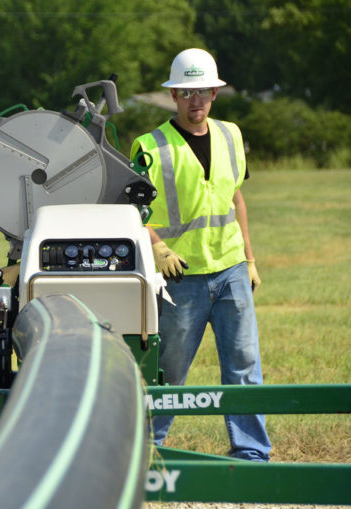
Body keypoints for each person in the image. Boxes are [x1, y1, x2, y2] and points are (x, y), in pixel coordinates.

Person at [130, 48, 271, 461]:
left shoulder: (231, 135)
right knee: (168, 374)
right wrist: (156, 247)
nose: (197, 101)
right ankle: (146, 453)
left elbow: (236, 199)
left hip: (229, 270)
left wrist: (249, 259)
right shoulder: (150, 146)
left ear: (215, 93)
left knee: (244, 366)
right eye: (187, 92)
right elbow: (133, 211)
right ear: (173, 95)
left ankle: (251, 454)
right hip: (181, 280)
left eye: (204, 91)